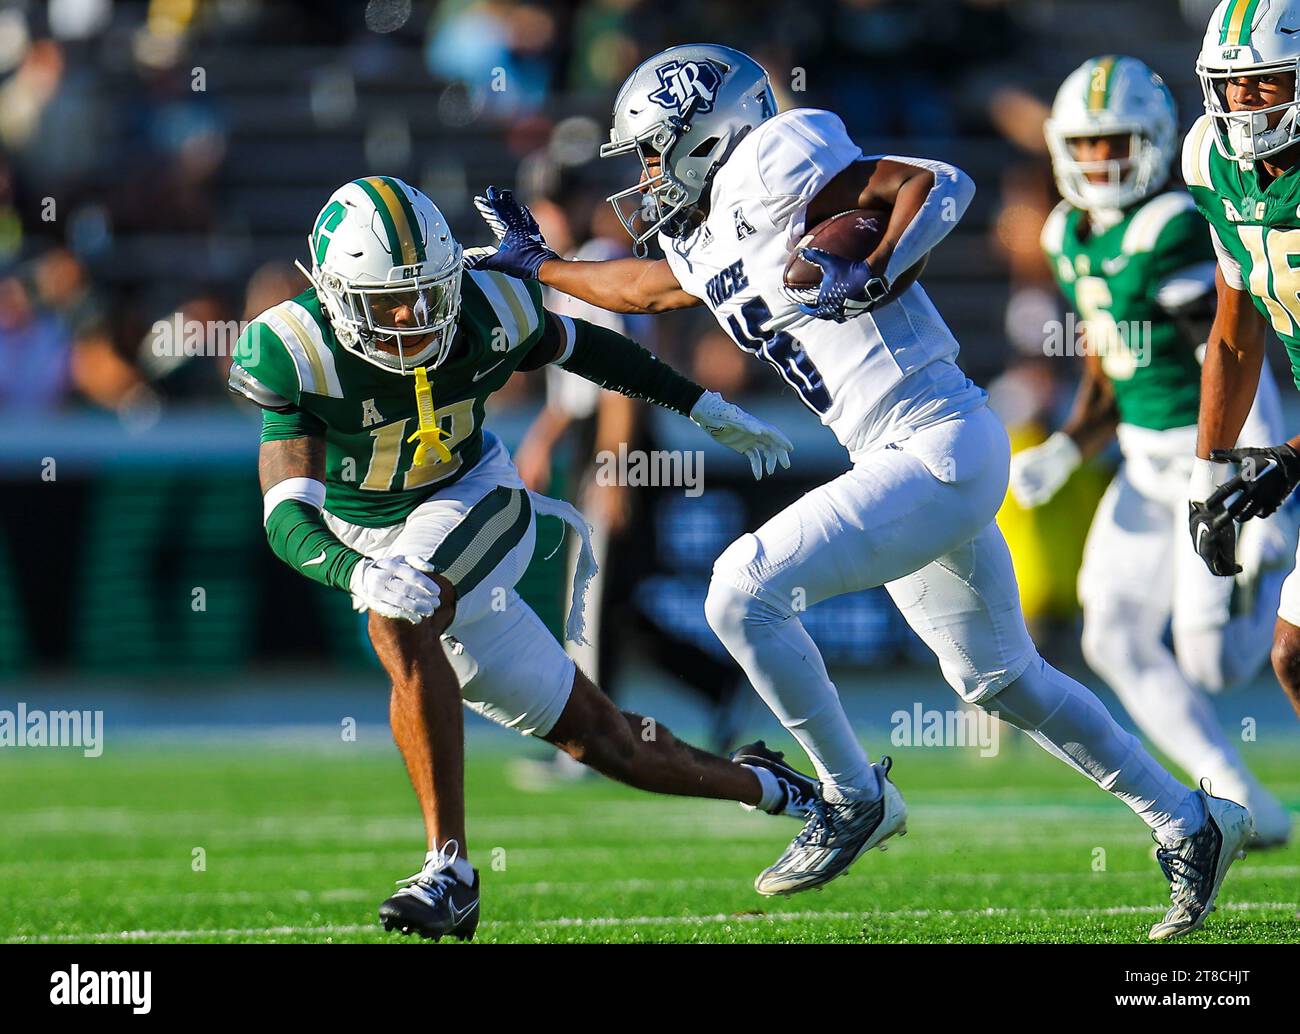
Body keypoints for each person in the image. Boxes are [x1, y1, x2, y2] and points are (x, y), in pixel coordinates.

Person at [470, 44, 1253, 940]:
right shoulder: (710, 225)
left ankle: (850, 799)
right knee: (1000, 678)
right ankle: (1191, 821)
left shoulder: (776, 156)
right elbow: (645, 290)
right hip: (897, 452)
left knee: (742, 589)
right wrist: (541, 269)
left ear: (708, 133)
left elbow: (936, 182)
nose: (646, 174)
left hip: (936, 439)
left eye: (655, 150)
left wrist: (877, 261)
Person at [227, 175, 815, 942]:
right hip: (374, 539)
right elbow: (287, 516)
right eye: (385, 303)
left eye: (425, 292)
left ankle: (450, 873)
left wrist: (699, 406)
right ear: (333, 293)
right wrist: (357, 568)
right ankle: (774, 786)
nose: (411, 317)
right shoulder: (293, 350)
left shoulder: (486, 306)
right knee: (601, 739)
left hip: (473, 493)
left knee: (397, 620)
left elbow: (595, 350)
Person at [1014, 55, 1292, 847]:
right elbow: (1108, 365)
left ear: (1157, 139)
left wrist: (1256, 479)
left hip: (1210, 460)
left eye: (1117, 143)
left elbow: (1234, 354)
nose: (1101, 161)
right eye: (1089, 145)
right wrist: (1071, 446)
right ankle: (1241, 802)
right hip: (1141, 463)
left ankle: (1275, 561)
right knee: (1111, 637)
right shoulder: (1064, 233)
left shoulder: (1172, 226)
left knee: (1214, 667)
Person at [1185, 0, 1300, 729]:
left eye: (1264, 83)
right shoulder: (1209, 160)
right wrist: (1210, 476)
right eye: (1231, 84)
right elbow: (1233, 335)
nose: (1242, 103)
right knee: (1293, 655)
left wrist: (1290, 457)